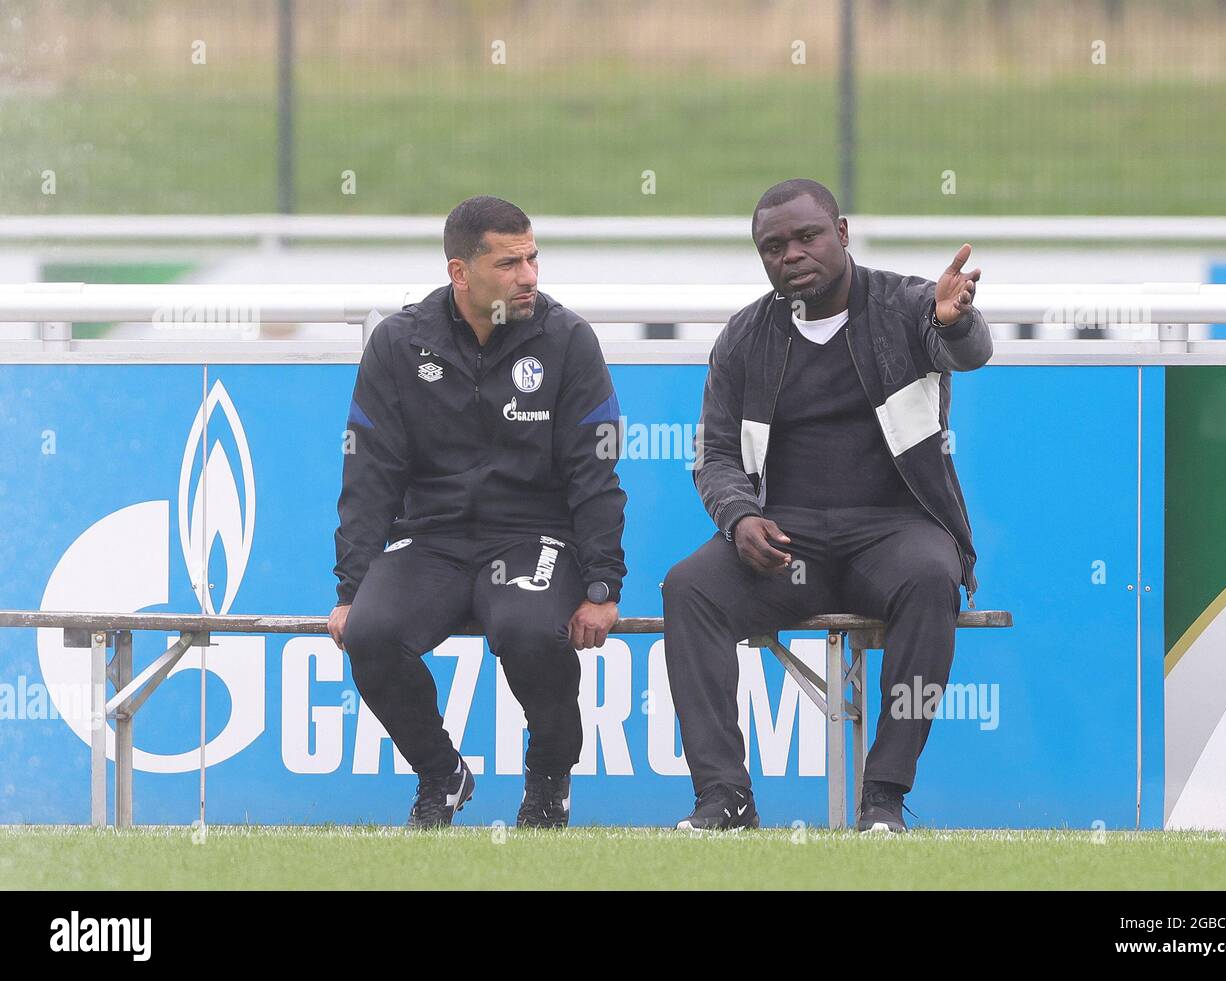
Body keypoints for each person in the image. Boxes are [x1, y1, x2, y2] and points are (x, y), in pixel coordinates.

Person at [662, 178, 991, 833]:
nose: (790, 254)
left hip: (894, 536)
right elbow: (716, 454)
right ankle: (724, 797)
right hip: (791, 546)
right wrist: (739, 517)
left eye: (806, 236)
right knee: (688, 587)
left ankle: (884, 799)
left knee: (933, 574)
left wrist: (958, 321)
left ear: (840, 234)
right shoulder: (745, 337)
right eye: (772, 246)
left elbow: (967, 352)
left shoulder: (907, 306)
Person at [328, 195, 627, 829]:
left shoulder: (567, 339)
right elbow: (370, 475)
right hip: (432, 541)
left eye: (533, 258)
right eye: (509, 263)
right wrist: (351, 589)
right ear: (460, 273)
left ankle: (549, 775)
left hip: (532, 537)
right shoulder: (398, 343)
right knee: (369, 636)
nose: (529, 277)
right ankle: (441, 775)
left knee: (527, 631)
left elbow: (594, 473)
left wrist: (603, 583)